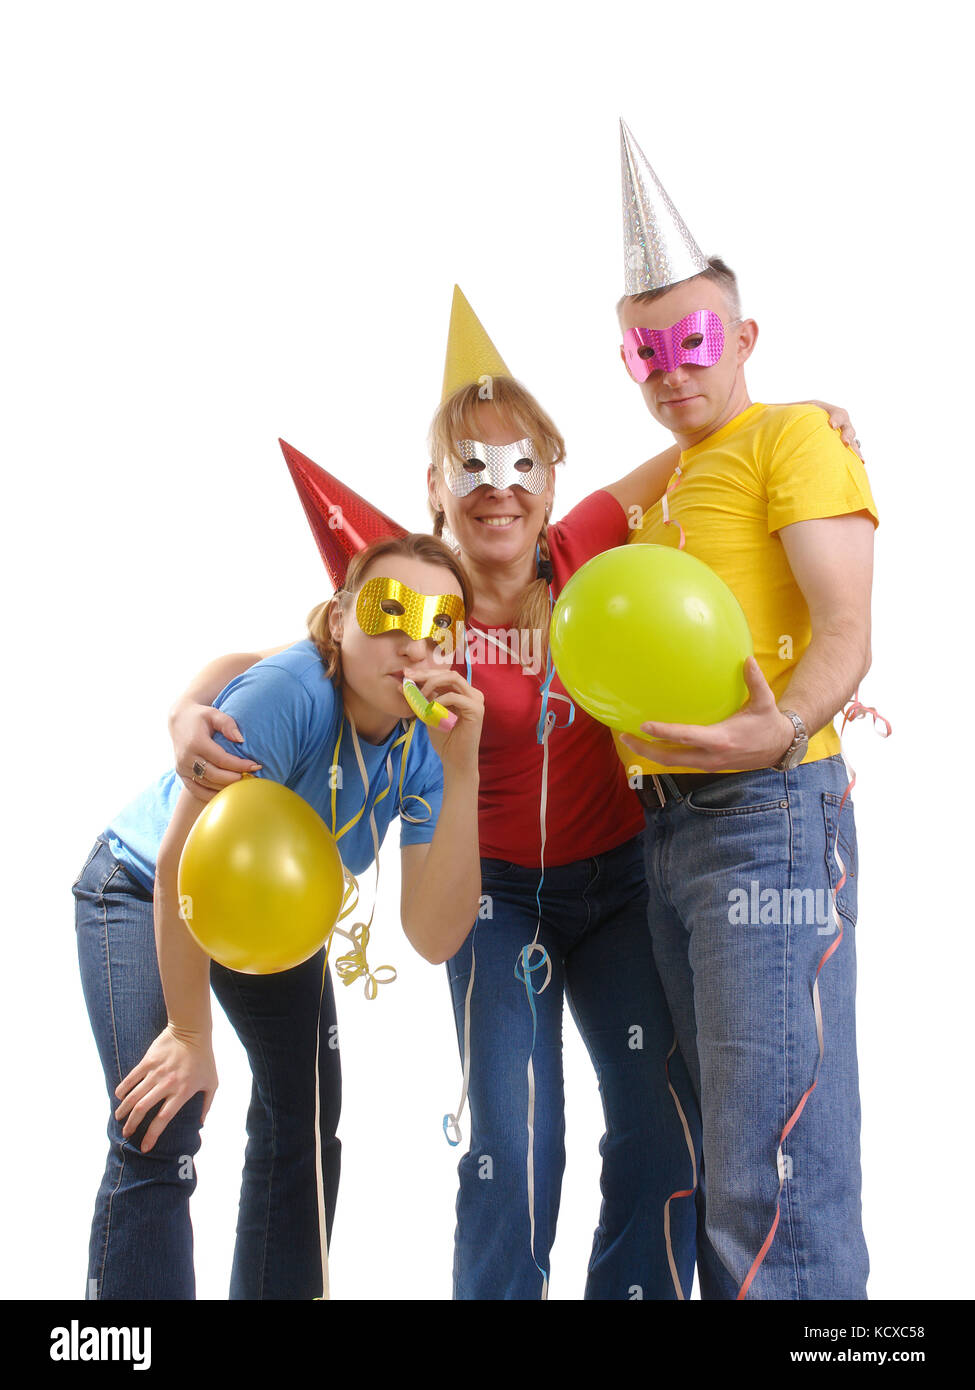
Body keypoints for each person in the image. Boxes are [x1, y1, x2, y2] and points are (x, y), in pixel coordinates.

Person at [172, 288, 860, 1299]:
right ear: (435, 488)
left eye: (523, 464)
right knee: (513, 1147)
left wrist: (800, 420)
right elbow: (290, 653)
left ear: (552, 482)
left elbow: (694, 442)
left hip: (621, 885)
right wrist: (189, 710)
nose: (501, 488)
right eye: (473, 467)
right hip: (495, 899)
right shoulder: (413, 605)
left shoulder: (587, 540)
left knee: (664, 1133)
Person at [74, 533, 484, 1300]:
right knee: (163, 1117)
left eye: (438, 625)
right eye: (387, 615)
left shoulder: (429, 746)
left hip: (268, 920)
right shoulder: (294, 693)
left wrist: (462, 777)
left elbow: (432, 939)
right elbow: (178, 866)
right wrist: (191, 1037)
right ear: (338, 621)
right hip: (141, 887)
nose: (413, 642)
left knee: (306, 1122)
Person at [613, 122, 877, 1301]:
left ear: (746, 337)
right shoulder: (662, 486)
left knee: (770, 1176)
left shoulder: (790, 441)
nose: (672, 366)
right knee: (718, 1155)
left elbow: (846, 633)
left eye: (694, 339)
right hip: (663, 835)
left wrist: (781, 729)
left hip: (765, 815)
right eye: (645, 350)